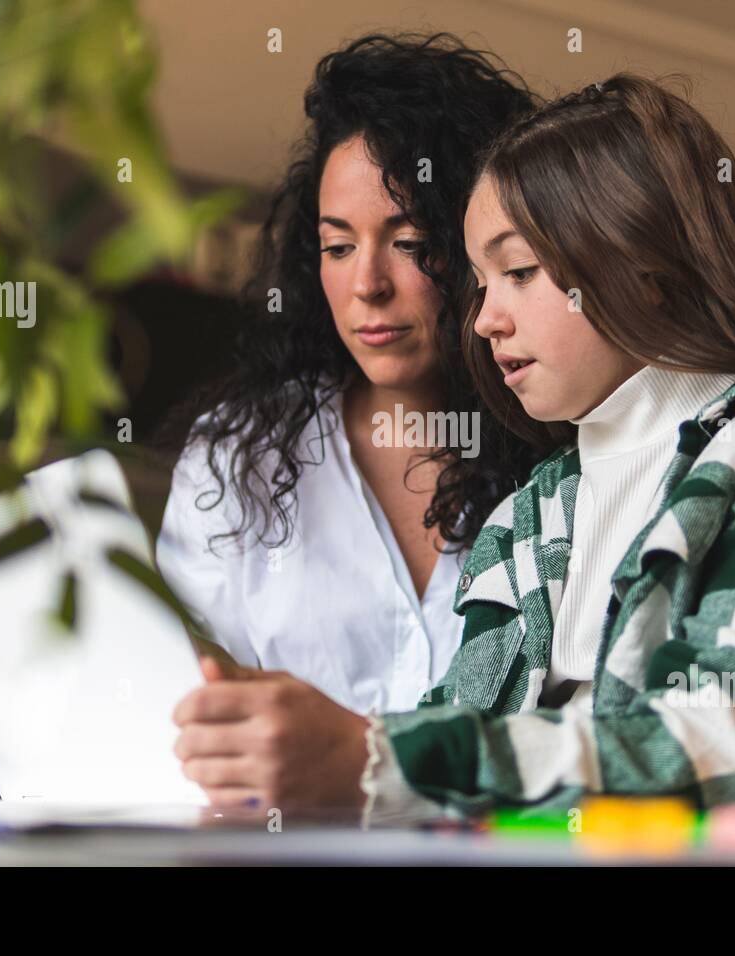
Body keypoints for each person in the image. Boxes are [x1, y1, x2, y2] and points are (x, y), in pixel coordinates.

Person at [171, 73, 735, 823]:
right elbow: (456, 779)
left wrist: (379, 760)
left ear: (638, 263)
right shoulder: (530, 515)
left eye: (520, 272)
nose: (485, 318)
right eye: (479, 282)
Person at [156, 34, 550, 717]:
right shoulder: (236, 459)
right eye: (338, 246)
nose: (366, 284)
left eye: (411, 244)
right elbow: (182, 714)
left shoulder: (566, 462)